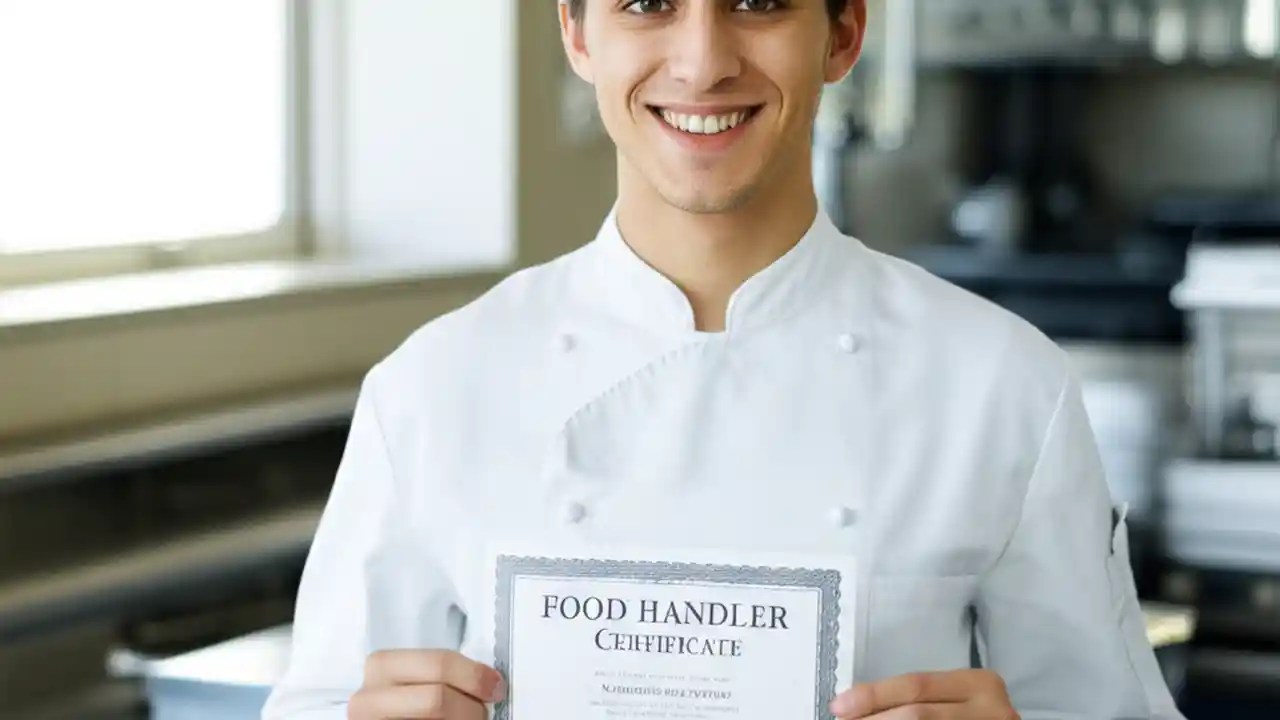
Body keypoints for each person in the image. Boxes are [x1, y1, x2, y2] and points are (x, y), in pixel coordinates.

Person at [263, 1, 1183, 718]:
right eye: (649, 4)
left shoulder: (1003, 385)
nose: (703, 63)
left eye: (757, 2)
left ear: (845, 33)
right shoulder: (432, 387)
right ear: (577, 36)